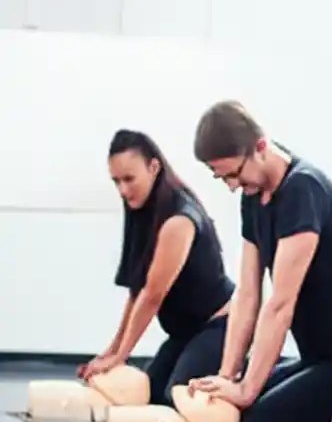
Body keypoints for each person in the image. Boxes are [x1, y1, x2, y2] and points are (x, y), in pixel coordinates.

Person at [186, 101, 332, 422]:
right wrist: (227, 377)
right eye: (221, 178)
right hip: (322, 355)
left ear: (260, 147)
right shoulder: (252, 196)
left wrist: (247, 389)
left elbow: (280, 304)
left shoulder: (303, 189)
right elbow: (247, 293)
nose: (231, 186)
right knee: (239, 411)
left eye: (233, 174)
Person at [80, 129, 236, 406]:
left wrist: (121, 356)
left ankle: (248, 370)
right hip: (184, 333)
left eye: (129, 179)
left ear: (154, 167)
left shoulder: (178, 220)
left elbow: (152, 295)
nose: (123, 190)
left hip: (218, 327)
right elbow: (136, 290)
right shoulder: (139, 209)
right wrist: (111, 352)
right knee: (149, 396)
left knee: (175, 397)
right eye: (116, 181)